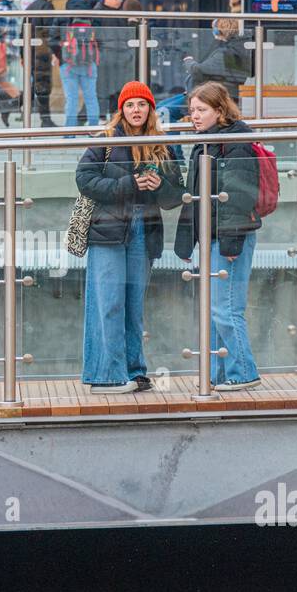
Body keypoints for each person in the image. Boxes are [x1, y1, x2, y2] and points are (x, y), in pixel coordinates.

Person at [76, 80, 184, 393]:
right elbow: (83, 179)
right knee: (108, 303)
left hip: (145, 229)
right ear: (121, 110)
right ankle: (106, 376)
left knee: (133, 306)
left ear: (151, 108)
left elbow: (175, 195)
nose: (136, 110)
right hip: (108, 230)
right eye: (130, 105)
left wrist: (159, 186)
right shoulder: (107, 139)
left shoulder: (163, 143)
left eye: (141, 104)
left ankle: (134, 371)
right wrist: (131, 185)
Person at [174, 81, 261, 391]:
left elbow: (239, 195)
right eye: (192, 110)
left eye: (202, 110)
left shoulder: (235, 142)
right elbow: (194, 195)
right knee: (214, 309)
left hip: (230, 236)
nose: (194, 116)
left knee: (226, 308)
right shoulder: (204, 142)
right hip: (212, 234)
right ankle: (218, 373)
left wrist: (232, 240)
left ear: (220, 110)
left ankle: (244, 372)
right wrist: (186, 239)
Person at [55, 0, 100, 127]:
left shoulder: (65, 15)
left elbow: (52, 37)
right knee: (91, 98)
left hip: (68, 62)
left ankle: (70, 134)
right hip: (89, 63)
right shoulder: (92, 15)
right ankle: (94, 131)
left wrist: (59, 55)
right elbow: (102, 37)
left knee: (71, 98)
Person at [183, 18, 250, 102]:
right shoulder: (236, 47)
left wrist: (188, 61)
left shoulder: (228, 51)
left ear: (218, 31)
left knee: (167, 107)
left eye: (214, 29)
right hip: (210, 94)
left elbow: (198, 71)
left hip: (210, 97)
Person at [91, 0, 129, 116]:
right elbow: (94, 36)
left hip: (120, 56)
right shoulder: (98, 12)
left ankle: (115, 115)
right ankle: (100, 116)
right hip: (104, 56)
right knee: (103, 88)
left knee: (117, 88)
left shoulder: (121, 13)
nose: (119, 0)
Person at [29, 0, 59, 127]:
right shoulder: (47, 6)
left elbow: (24, 32)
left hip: (32, 52)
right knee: (43, 85)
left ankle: (19, 103)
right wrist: (55, 52)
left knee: (37, 83)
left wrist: (24, 55)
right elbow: (50, 32)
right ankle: (45, 119)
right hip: (43, 52)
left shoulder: (31, 7)